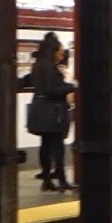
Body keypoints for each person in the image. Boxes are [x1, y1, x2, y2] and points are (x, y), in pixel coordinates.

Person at [27, 36, 76, 192]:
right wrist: (71, 86)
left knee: (45, 145)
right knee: (57, 146)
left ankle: (47, 180)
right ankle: (61, 179)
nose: (61, 53)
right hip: (52, 111)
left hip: (40, 109)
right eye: (59, 50)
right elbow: (51, 90)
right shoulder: (49, 68)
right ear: (53, 51)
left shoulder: (38, 65)